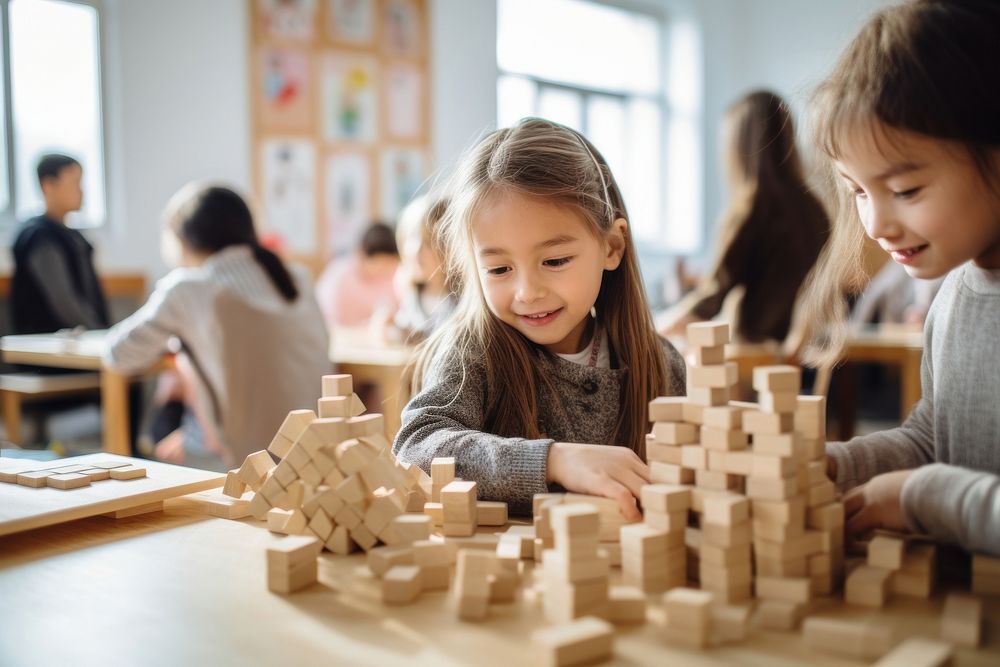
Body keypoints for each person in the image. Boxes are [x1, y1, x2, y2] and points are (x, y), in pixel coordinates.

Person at [393, 118, 686, 519]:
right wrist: (554, 461)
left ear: (612, 246)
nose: (527, 292)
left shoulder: (661, 362)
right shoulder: (472, 352)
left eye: (554, 261)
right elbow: (416, 446)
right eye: (499, 269)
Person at [801, 0, 1000, 555]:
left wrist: (927, 497)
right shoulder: (955, 296)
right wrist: (832, 464)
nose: (877, 224)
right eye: (858, 191)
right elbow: (932, 440)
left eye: (906, 190)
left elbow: (934, 479)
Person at [103, 183, 330, 470]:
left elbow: (117, 355)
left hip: (245, 466)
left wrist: (177, 343)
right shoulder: (297, 278)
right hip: (314, 458)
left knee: (164, 443)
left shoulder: (188, 288)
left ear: (180, 238)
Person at [657, 91, 829, 344]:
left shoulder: (752, 208)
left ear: (739, 147)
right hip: (807, 352)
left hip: (754, 354)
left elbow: (712, 297)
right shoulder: (815, 209)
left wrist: (655, 327)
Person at [11, 154, 109, 334]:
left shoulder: (75, 237)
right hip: (52, 346)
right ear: (48, 185)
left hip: (84, 338)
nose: (81, 191)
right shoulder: (39, 236)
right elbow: (63, 301)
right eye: (74, 183)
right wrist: (99, 333)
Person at [388, 194, 455, 343]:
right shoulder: (412, 299)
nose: (416, 250)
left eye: (428, 241)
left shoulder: (463, 302)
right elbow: (406, 333)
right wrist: (393, 329)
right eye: (411, 237)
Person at [315, 222, 400, 330]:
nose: (383, 270)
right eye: (379, 263)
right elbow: (326, 319)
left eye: (389, 264)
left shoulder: (395, 277)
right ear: (361, 254)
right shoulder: (338, 276)